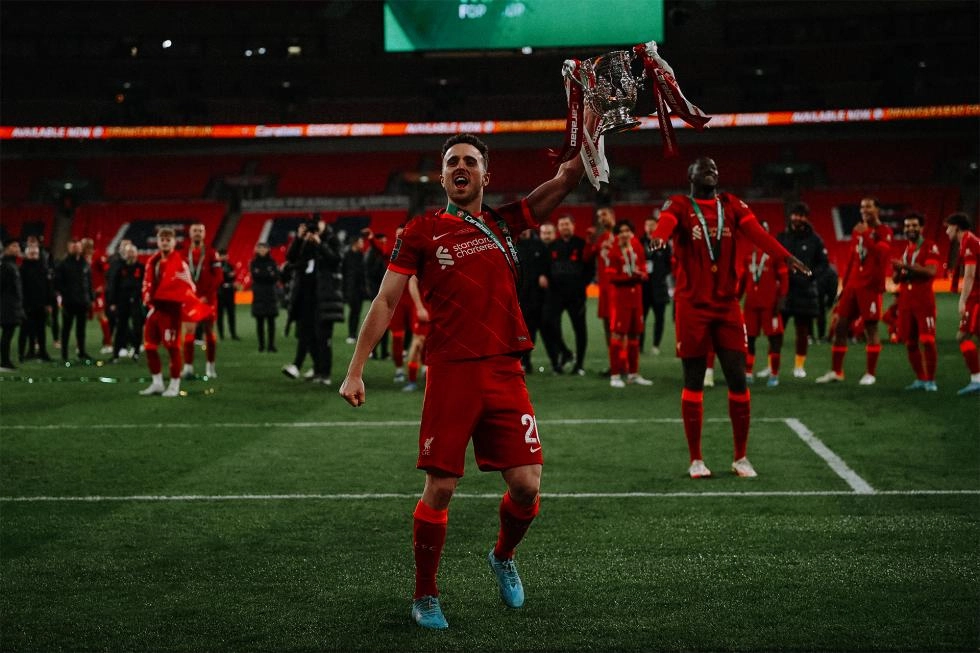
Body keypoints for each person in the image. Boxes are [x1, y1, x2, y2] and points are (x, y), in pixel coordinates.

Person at [339, 130, 591, 630]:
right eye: (452, 161)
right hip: (451, 371)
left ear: (485, 175)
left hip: (504, 368)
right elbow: (387, 299)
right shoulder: (421, 231)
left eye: (470, 161)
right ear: (441, 176)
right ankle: (425, 594)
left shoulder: (505, 221)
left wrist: (589, 128)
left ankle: (502, 556)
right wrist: (355, 369)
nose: (461, 167)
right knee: (441, 487)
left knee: (527, 486)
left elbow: (566, 178)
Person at [648, 157, 810, 479]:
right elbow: (665, 221)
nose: (711, 171)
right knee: (694, 379)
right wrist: (660, 237)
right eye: (703, 168)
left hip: (726, 305)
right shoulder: (680, 204)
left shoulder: (731, 204)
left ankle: (741, 457)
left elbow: (758, 234)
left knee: (737, 377)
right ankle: (696, 459)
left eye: (714, 168)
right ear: (690, 175)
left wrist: (785, 257)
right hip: (692, 305)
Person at [816, 197, 893, 385]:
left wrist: (865, 234)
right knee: (840, 326)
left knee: (871, 329)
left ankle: (870, 374)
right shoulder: (857, 231)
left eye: (868, 207)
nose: (864, 210)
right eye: (862, 207)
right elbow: (853, 259)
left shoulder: (884, 231)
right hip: (852, 286)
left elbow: (881, 254)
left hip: (870, 287)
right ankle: (836, 371)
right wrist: (844, 286)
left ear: (877, 210)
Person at [777, 202, 829, 377]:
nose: (797, 218)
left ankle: (799, 366)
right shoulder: (782, 237)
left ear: (806, 218)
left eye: (801, 215)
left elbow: (824, 264)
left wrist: (810, 277)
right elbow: (774, 259)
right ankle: (773, 366)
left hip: (805, 292)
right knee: (776, 331)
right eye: (795, 214)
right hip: (784, 291)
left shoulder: (815, 240)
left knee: (802, 331)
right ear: (790, 216)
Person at [889, 213, 941, 391]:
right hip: (906, 301)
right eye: (907, 226)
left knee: (927, 340)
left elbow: (930, 271)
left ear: (921, 228)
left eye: (914, 225)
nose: (910, 229)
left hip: (923, 301)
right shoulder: (907, 249)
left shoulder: (929, 246)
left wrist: (904, 267)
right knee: (910, 342)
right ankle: (921, 378)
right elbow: (895, 279)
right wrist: (898, 271)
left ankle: (931, 381)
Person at [139, 228, 189, 397]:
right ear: (158, 242)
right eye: (162, 239)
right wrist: (147, 299)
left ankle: (174, 385)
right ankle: (157, 383)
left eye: (168, 239)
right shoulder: (153, 261)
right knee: (149, 346)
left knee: (172, 348)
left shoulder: (180, 264)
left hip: (171, 311)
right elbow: (147, 283)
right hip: (155, 310)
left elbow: (188, 286)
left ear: (174, 242)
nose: (165, 242)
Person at [739, 222, 789, 387]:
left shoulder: (775, 255)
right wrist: (735, 298)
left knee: (775, 339)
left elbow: (784, 278)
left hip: (770, 305)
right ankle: (748, 373)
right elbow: (742, 281)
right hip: (751, 306)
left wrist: (781, 300)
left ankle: (774, 374)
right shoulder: (749, 255)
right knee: (749, 339)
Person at [541, 214, 590, 375]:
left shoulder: (581, 244)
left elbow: (590, 268)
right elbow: (547, 266)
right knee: (548, 323)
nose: (564, 227)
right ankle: (566, 352)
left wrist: (582, 285)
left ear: (573, 225)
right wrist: (544, 276)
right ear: (558, 228)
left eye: (567, 224)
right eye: (561, 224)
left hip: (576, 296)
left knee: (580, 329)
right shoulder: (553, 246)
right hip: (556, 294)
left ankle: (579, 365)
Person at [606, 219, 653, 387]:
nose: (625, 234)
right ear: (617, 235)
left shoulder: (637, 248)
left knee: (635, 335)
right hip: (621, 299)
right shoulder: (613, 251)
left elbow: (644, 269)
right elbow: (611, 277)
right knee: (617, 335)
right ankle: (615, 375)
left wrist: (642, 275)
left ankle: (633, 374)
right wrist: (631, 277)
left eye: (628, 231)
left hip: (636, 298)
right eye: (621, 231)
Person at [944, 212, 980, 395]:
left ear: (956, 227)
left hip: (977, 297)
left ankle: (976, 379)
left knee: (963, 336)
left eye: (948, 227)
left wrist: (963, 300)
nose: (946, 232)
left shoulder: (969, 242)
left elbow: (970, 274)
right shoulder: (971, 240)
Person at [181, 223, 222, 379]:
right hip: (190, 299)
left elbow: (218, 277)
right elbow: (179, 275)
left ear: (204, 234)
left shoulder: (211, 253)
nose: (197, 233)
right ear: (190, 233)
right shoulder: (183, 253)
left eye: (200, 231)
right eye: (195, 231)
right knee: (189, 332)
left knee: (209, 332)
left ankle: (210, 367)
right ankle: (188, 367)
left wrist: (206, 295)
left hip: (208, 300)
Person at [515, 225, 550, 374]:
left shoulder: (539, 245)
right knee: (522, 331)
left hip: (537, 296)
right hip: (520, 296)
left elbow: (547, 264)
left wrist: (544, 274)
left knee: (536, 329)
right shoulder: (513, 245)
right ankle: (524, 362)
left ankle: (555, 361)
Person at [54, 238, 93, 362]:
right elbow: (58, 283)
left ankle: (82, 352)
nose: (76, 248)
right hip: (69, 302)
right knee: (66, 329)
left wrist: (90, 298)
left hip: (83, 302)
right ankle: (64, 354)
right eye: (73, 246)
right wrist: (66, 295)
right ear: (69, 248)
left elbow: (89, 282)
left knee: (81, 330)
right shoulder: (63, 264)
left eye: (78, 246)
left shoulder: (85, 263)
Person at [639, 211, 672, 355]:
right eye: (647, 225)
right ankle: (639, 346)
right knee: (641, 319)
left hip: (659, 287)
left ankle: (656, 345)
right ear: (644, 227)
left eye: (652, 225)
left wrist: (660, 275)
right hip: (643, 287)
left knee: (659, 319)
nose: (650, 228)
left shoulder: (664, 244)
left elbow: (669, 265)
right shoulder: (639, 243)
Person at [18, 241, 54, 362]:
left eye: (35, 253)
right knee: (26, 330)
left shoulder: (43, 269)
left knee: (41, 330)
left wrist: (49, 303)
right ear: (27, 254)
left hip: (41, 305)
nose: (34, 255)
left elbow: (49, 288)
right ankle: (25, 353)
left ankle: (42, 352)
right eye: (31, 253)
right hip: (27, 305)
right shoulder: (22, 269)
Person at [107, 243, 144, 360]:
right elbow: (114, 285)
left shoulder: (141, 267)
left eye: (132, 252)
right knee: (121, 327)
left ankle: (136, 351)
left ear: (136, 254)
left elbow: (144, 284)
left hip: (136, 301)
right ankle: (116, 354)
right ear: (125, 254)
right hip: (122, 301)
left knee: (137, 326)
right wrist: (112, 302)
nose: (130, 254)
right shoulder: (120, 268)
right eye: (128, 252)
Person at [81, 238, 113, 355]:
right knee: (82, 318)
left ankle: (108, 343)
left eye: (87, 245)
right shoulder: (80, 259)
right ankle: (81, 346)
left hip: (98, 292)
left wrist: (103, 286)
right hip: (84, 293)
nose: (86, 247)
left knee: (101, 316)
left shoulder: (97, 256)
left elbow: (108, 271)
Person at [249, 242, 280, 353]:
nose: (262, 250)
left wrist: (262, 274)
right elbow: (255, 276)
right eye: (260, 248)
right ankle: (261, 346)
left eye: (264, 248)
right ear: (257, 250)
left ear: (268, 249)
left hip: (270, 294)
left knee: (271, 322)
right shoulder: (253, 263)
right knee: (260, 322)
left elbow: (275, 277)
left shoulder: (272, 262)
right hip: (259, 295)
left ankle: (271, 345)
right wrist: (268, 274)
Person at [401, 275, 430, 392]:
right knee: (418, 342)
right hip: (424, 307)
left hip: (440, 307)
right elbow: (412, 281)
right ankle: (412, 380)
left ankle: (430, 375)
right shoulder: (423, 264)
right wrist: (419, 307)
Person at [0, 240, 25, 371]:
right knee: (7, 333)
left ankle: (6, 360)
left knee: (8, 333)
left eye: (18, 246)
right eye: (14, 246)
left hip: (12, 305)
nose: (17, 248)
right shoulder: (5, 265)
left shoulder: (12, 264)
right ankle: (4, 362)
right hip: (7, 306)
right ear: (6, 249)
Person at [342, 235, 368, 344]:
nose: (362, 243)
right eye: (361, 241)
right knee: (353, 311)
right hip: (350, 288)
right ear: (355, 243)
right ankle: (351, 334)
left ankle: (354, 334)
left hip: (359, 289)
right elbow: (344, 272)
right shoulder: (346, 255)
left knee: (357, 312)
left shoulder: (361, 255)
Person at [216, 249, 240, 341]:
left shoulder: (230, 266)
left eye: (225, 255)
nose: (224, 257)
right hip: (220, 292)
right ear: (219, 256)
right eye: (222, 255)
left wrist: (229, 277)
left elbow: (233, 277)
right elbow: (220, 278)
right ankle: (221, 335)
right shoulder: (216, 266)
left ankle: (233, 334)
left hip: (230, 292)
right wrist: (227, 275)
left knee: (231, 314)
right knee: (220, 314)